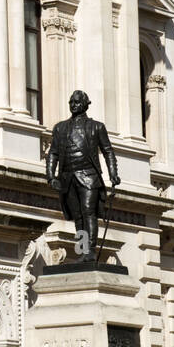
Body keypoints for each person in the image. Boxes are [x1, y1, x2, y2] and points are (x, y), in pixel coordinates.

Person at [45, 90, 119, 261]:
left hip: (89, 176)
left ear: (86, 104)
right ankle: (82, 250)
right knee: (77, 215)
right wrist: (51, 176)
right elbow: (53, 153)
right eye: (71, 102)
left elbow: (108, 151)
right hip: (68, 177)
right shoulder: (60, 127)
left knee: (88, 212)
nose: (73, 105)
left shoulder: (97, 127)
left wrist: (113, 174)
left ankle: (90, 250)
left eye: (77, 102)